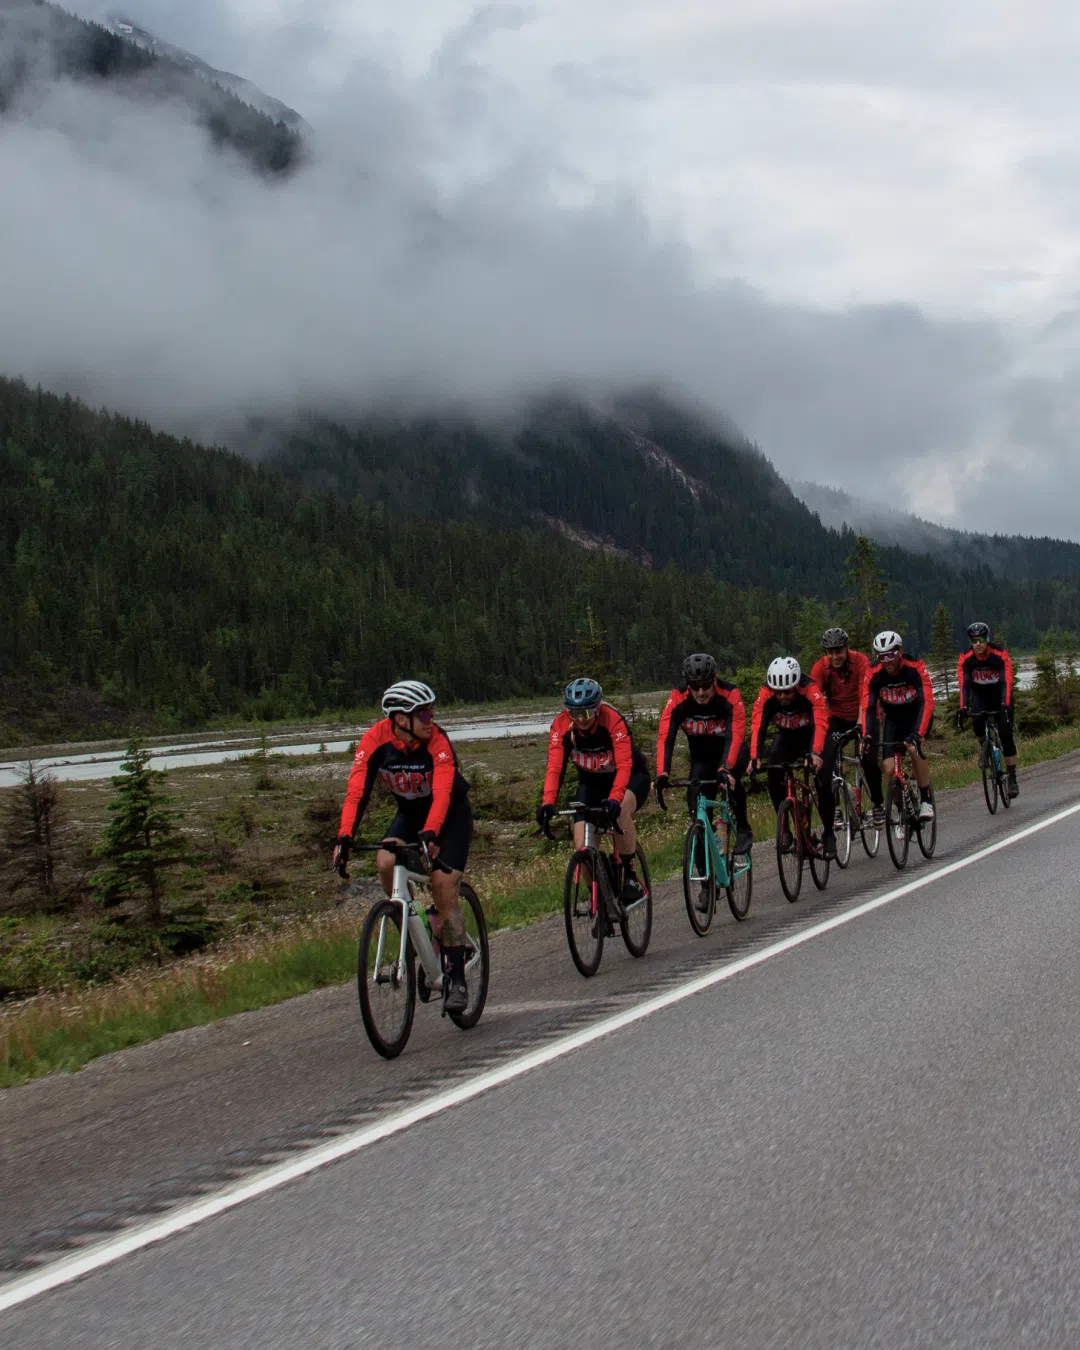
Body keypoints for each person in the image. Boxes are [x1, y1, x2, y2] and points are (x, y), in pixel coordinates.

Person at [333, 680, 473, 1014]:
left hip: (449, 815)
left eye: (431, 710)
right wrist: (344, 836)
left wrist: (432, 833)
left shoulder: (438, 741)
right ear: (400, 719)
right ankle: (420, 927)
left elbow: (442, 794)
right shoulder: (374, 741)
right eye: (423, 712)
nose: (431, 718)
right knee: (384, 862)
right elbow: (357, 791)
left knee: (442, 886)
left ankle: (456, 979)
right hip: (410, 815)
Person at [535, 677, 651, 904]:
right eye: (574, 714)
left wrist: (616, 798)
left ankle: (630, 875)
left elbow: (625, 764)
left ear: (597, 710)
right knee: (582, 847)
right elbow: (555, 768)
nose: (580, 720)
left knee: (620, 811)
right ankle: (599, 900)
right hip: (591, 784)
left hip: (630, 778)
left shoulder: (612, 720)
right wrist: (547, 803)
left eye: (586, 714)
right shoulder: (561, 726)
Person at [654, 652, 753, 854]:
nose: (700, 693)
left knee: (731, 780)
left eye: (705, 686)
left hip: (731, 751)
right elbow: (666, 736)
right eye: (694, 687)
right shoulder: (678, 698)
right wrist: (662, 772)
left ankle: (743, 827)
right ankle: (706, 876)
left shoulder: (730, 694)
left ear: (714, 680)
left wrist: (726, 767)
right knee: (698, 814)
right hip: (702, 758)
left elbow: (735, 734)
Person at [748, 656, 833, 858]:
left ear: (796, 685)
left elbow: (820, 722)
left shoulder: (810, 690)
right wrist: (755, 756)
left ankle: (829, 832)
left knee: (822, 781)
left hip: (813, 736)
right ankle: (785, 829)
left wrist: (815, 753)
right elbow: (757, 724)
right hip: (786, 737)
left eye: (787, 692)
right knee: (773, 775)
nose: (783, 696)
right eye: (778, 692)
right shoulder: (766, 693)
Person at [810, 626, 885, 828]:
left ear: (846, 648)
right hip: (837, 717)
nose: (835, 656)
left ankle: (878, 804)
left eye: (839, 651)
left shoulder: (860, 661)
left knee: (868, 759)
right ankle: (834, 807)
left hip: (864, 714)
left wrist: (862, 724)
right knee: (828, 760)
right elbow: (814, 698)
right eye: (831, 652)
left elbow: (866, 694)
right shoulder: (821, 668)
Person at [860, 631, 935, 820]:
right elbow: (868, 706)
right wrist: (867, 734)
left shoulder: (915, 667)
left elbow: (926, 702)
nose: (887, 661)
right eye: (882, 656)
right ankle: (902, 809)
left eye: (891, 655)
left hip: (916, 717)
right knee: (888, 767)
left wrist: (919, 733)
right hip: (893, 720)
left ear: (900, 651)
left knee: (913, 750)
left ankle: (926, 800)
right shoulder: (874, 673)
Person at [956, 621, 1019, 798]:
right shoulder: (966, 658)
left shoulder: (999, 655)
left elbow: (1007, 681)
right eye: (974, 640)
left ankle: (1012, 777)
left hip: (1000, 696)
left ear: (987, 639)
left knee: (1006, 735)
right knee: (977, 723)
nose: (978, 644)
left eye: (981, 640)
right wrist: (962, 707)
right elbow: (964, 683)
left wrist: (1006, 704)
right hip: (980, 697)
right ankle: (984, 746)